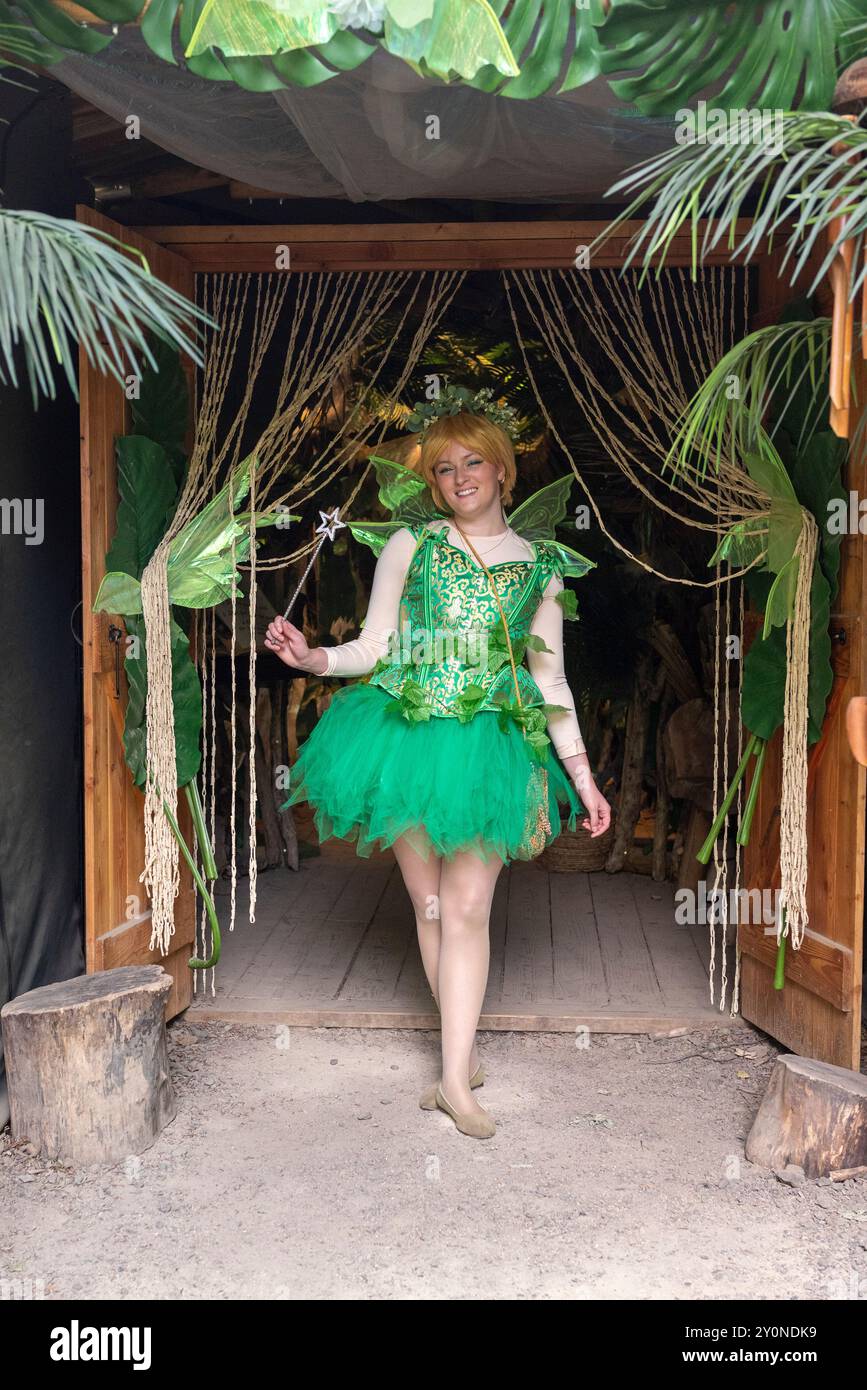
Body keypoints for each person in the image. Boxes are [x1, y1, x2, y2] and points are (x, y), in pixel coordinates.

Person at [265, 396, 611, 1139]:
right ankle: (460, 1058)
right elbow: (376, 646)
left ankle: (454, 1078)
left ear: (503, 469)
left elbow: (550, 682)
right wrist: (314, 658)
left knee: (466, 908)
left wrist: (581, 778)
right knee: (429, 907)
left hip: (492, 745)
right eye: (444, 467)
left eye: (472, 462)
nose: (458, 477)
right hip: (405, 737)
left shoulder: (542, 568)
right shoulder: (411, 545)